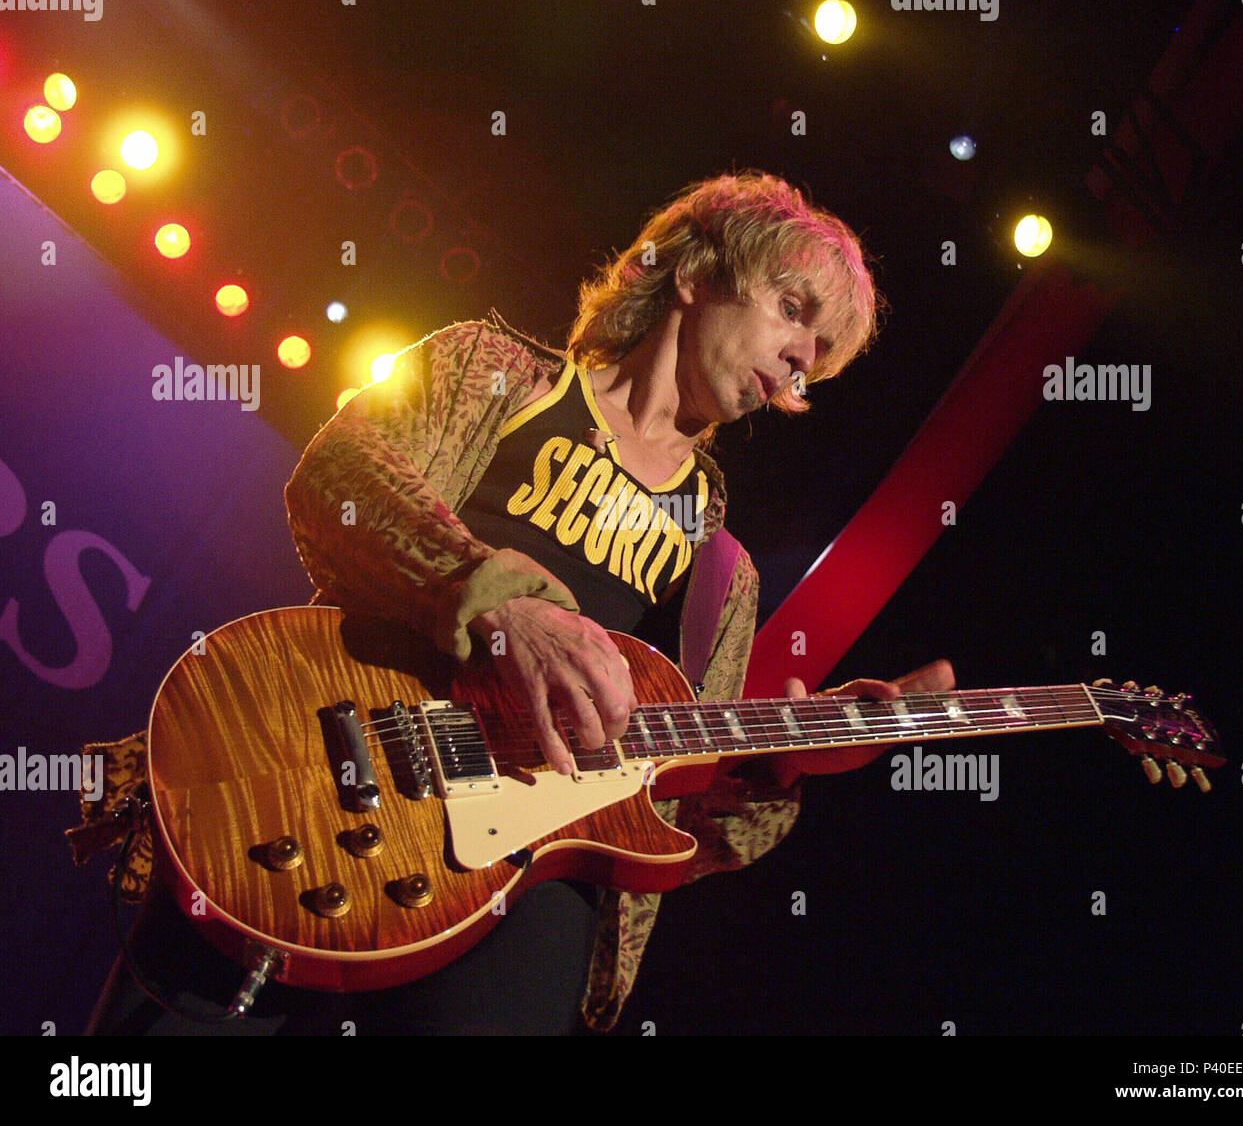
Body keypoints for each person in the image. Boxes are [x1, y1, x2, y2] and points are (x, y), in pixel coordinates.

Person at [76, 170, 953, 1035]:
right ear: (695, 273)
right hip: (322, 787)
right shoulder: (491, 374)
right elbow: (338, 476)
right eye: (794, 311)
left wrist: (787, 764)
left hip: (525, 895)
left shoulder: (725, 576)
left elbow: (671, 821)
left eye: (824, 354)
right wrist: (504, 608)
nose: (805, 359)